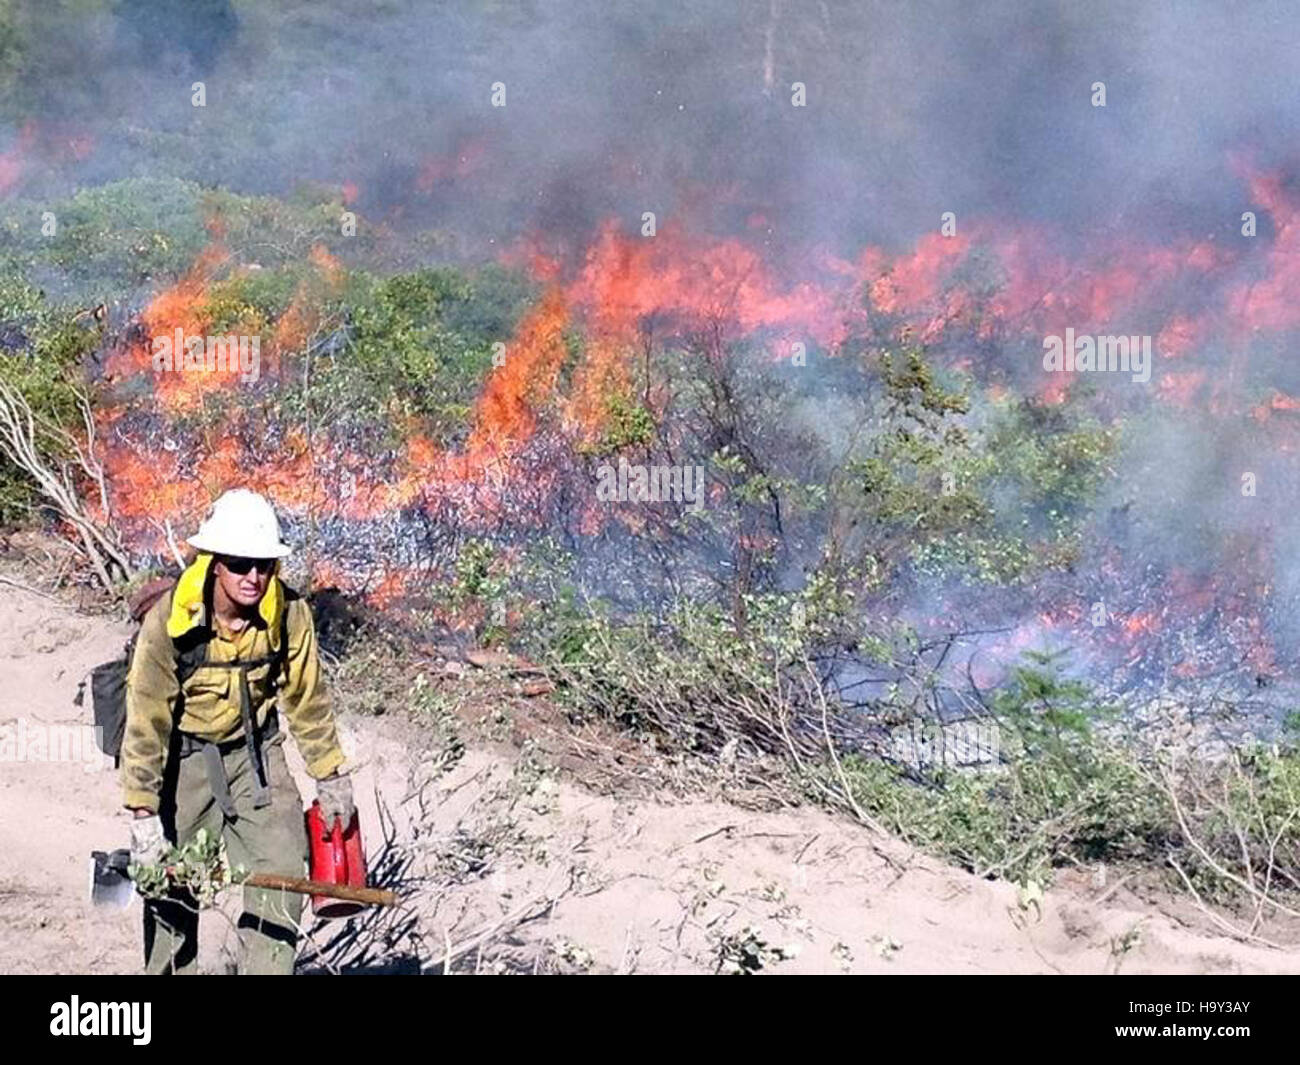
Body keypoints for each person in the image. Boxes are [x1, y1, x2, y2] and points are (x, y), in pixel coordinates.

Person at [120, 488, 353, 974]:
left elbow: (307, 700)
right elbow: (147, 717)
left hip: (256, 756)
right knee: (172, 885)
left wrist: (330, 776)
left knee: (282, 873)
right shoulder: (171, 619)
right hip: (183, 760)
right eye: (241, 564)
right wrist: (143, 811)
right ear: (215, 563)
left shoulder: (288, 615)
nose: (254, 577)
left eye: (264, 565)